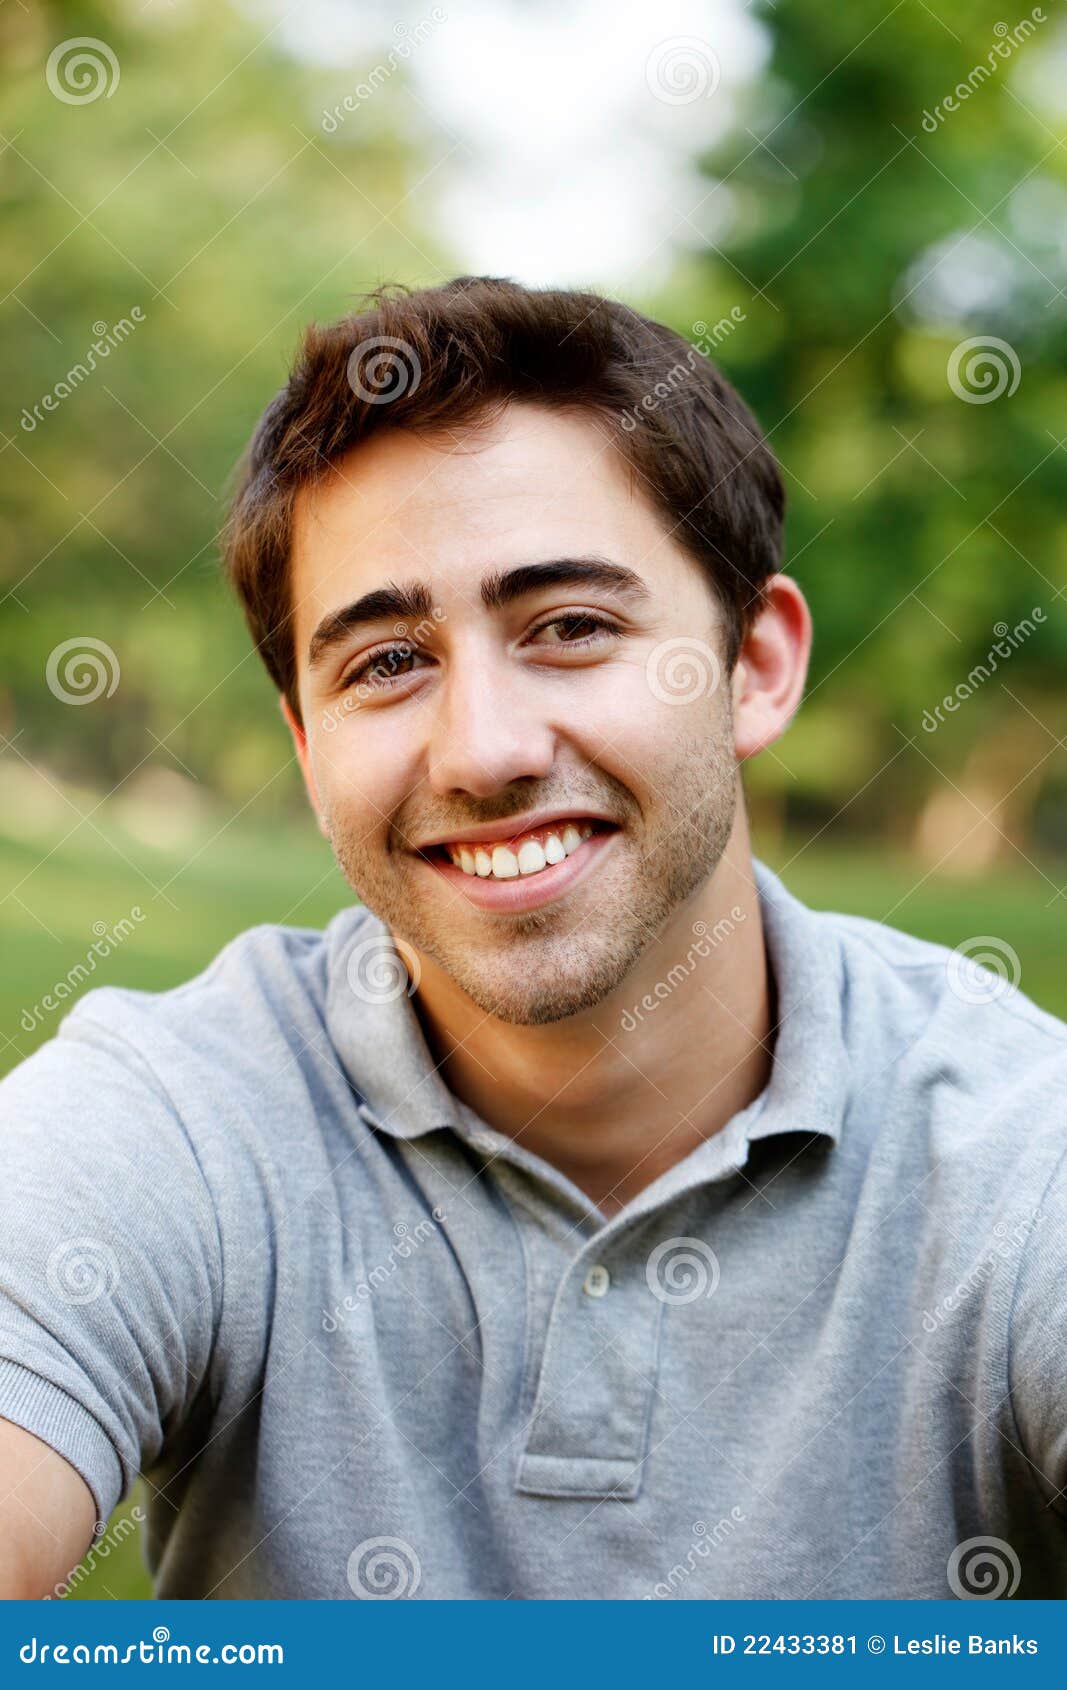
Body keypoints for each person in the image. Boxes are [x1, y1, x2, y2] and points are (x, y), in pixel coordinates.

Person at [1, 277, 1064, 1601]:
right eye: (386, 661)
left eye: (569, 627)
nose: (488, 749)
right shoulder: (176, 1120)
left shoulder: (1027, 1152)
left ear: (758, 662)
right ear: (305, 739)